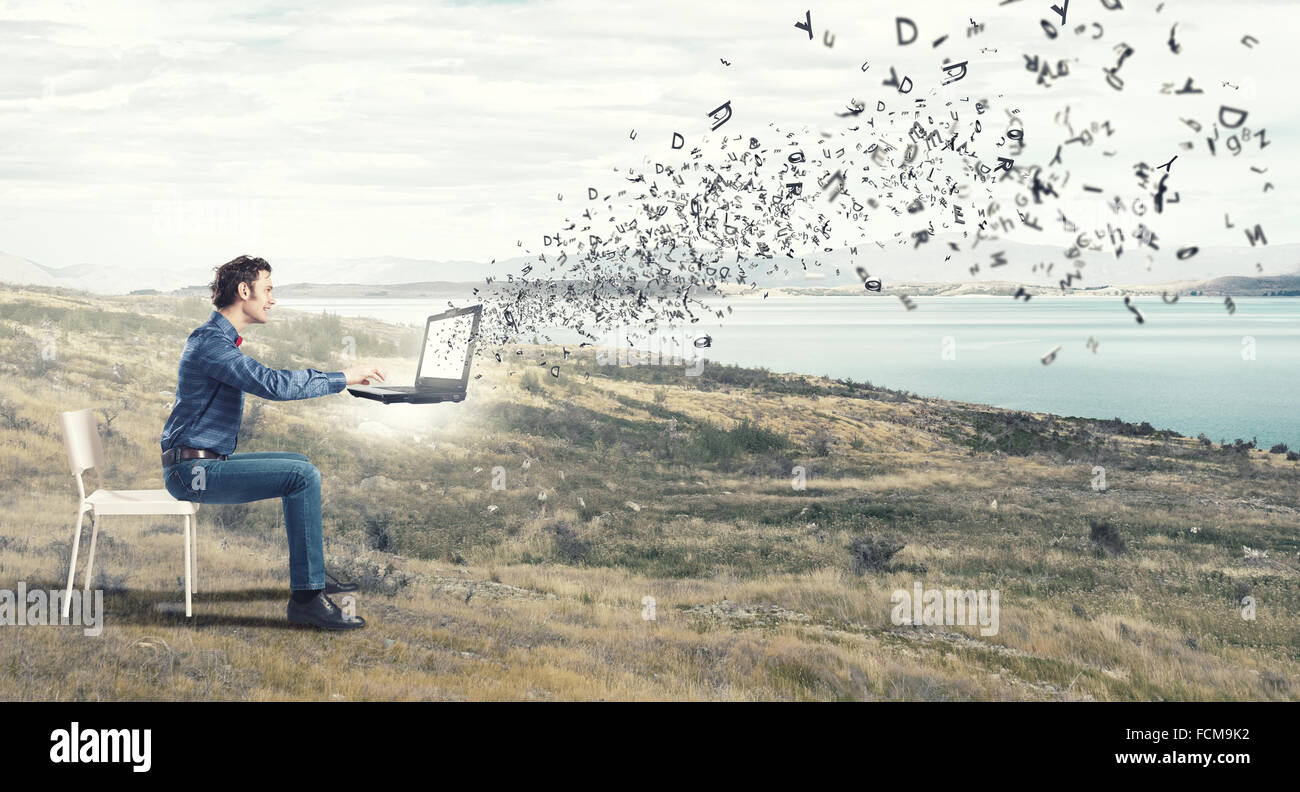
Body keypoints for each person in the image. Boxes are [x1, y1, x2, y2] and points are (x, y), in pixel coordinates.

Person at [160, 254, 386, 630]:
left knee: (298, 462)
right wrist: (344, 376)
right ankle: (307, 599)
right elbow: (273, 385)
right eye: (267, 290)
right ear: (243, 290)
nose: (272, 299)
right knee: (302, 476)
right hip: (192, 472)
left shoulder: (216, 339)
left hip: (199, 462)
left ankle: (312, 573)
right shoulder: (211, 345)